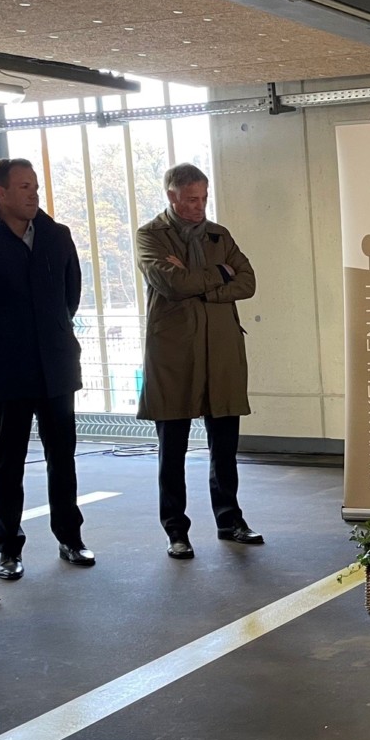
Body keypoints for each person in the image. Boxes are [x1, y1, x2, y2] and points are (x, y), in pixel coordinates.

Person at [0, 158, 90, 581]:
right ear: (1, 193)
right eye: (24, 187)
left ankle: (71, 538)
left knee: (61, 456)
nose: (33, 194)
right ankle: (8, 548)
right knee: (8, 462)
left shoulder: (56, 235)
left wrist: (52, 334)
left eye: (35, 186)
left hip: (56, 365)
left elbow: (71, 296)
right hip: (6, 367)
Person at [136, 163, 261, 559]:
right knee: (171, 446)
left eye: (204, 198)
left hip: (221, 350)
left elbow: (248, 282)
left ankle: (230, 520)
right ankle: (176, 530)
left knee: (224, 442)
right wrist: (218, 274)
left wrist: (204, 285)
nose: (199, 206)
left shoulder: (217, 235)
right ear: (172, 196)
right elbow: (171, 284)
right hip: (173, 352)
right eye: (191, 199)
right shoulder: (150, 236)